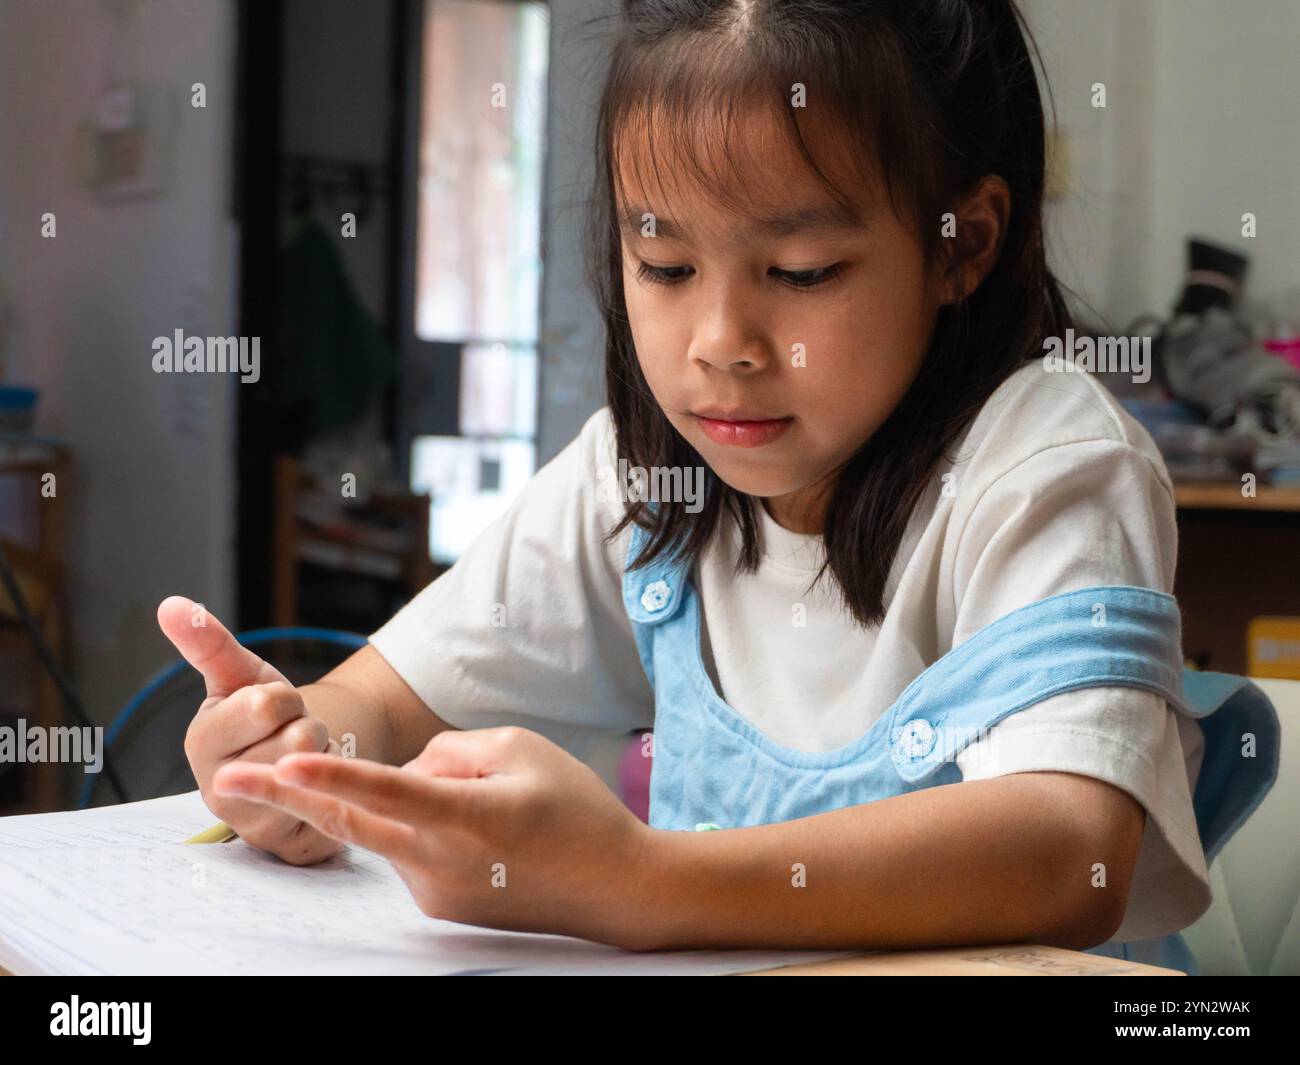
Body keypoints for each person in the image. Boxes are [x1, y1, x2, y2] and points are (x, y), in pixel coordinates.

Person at [160, 0, 1277, 966]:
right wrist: (302, 759)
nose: (722, 342)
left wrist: (635, 885)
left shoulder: (1045, 465)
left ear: (961, 244)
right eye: (665, 266)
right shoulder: (646, 477)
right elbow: (386, 702)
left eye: (800, 272)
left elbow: (1074, 851)